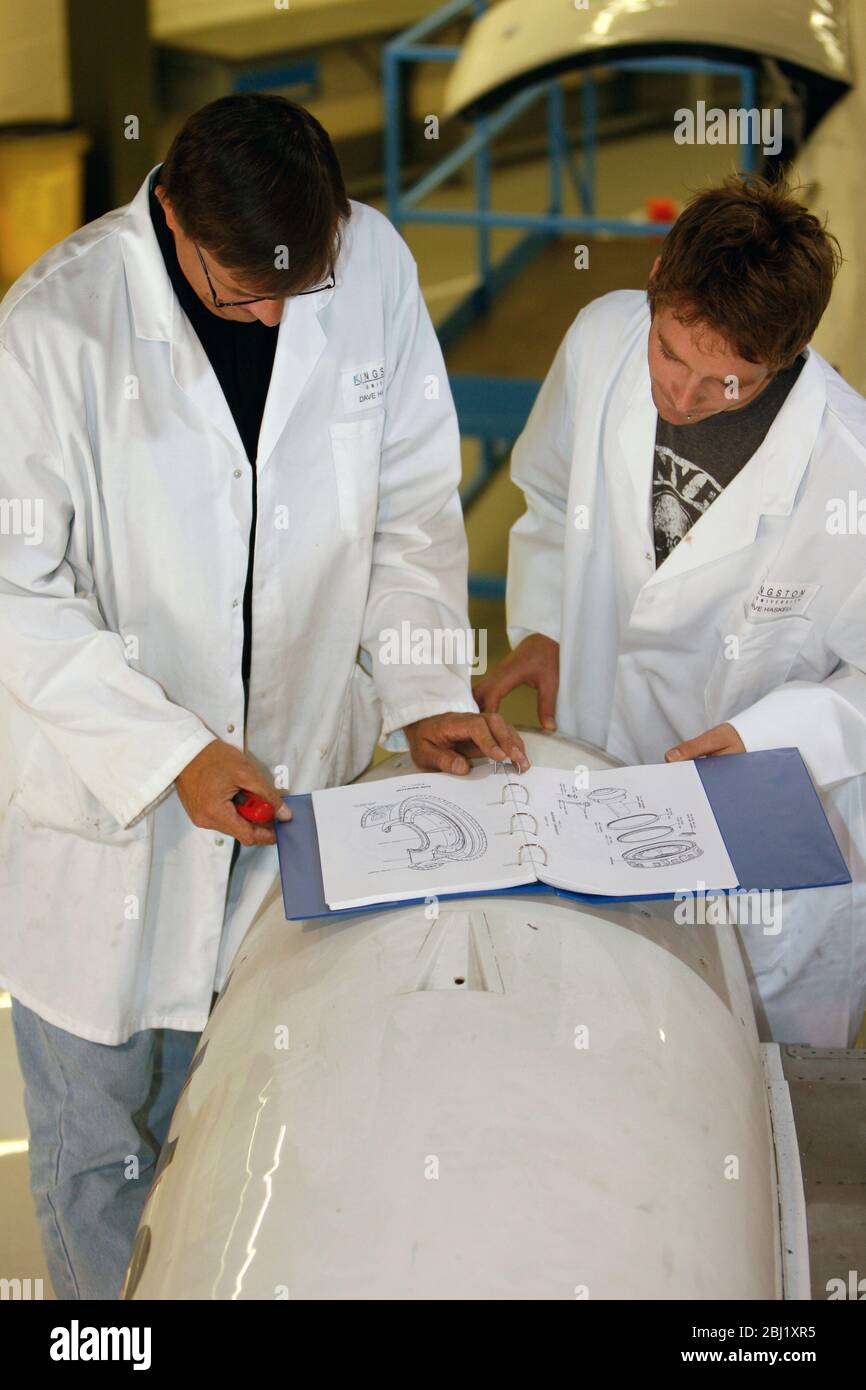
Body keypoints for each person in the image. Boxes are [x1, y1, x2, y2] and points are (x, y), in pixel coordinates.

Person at [0, 94, 526, 1299]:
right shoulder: (56, 327)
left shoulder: (375, 263)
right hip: (106, 833)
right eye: (247, 293)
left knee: (257, 1134)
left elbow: (409, 503)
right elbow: (12, 593)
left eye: (304, 283)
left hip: (296, 788)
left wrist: (422, 685)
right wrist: (166, 752)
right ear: (174, 218)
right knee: (98, 1154)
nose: (282, 315)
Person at [476, 174, 866, 1049]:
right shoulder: (600, 339)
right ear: (656, 283)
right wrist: (546, 624)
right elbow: (545, 492)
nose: (683, 397)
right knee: (595, 1041)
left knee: (747, 1092)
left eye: (728, 384)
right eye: (671, 354)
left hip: (765, 847)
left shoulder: (850, 471)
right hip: (598, 772)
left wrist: (769, 738)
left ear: (792, 351)